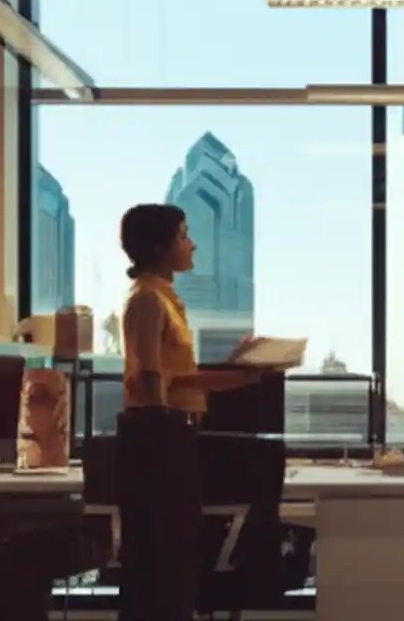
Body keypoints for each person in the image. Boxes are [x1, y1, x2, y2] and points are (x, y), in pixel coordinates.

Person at [116, 203, 262, 621]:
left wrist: (243, 372)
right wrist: (164, 431)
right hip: (157, 439)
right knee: (159, 567)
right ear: (161, 246)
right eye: (184, 235)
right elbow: (148, 377)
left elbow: (178, 379)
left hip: (171, 434)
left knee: (176, 565)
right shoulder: (147, 299)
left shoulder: (165, 299)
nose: (192, 243)